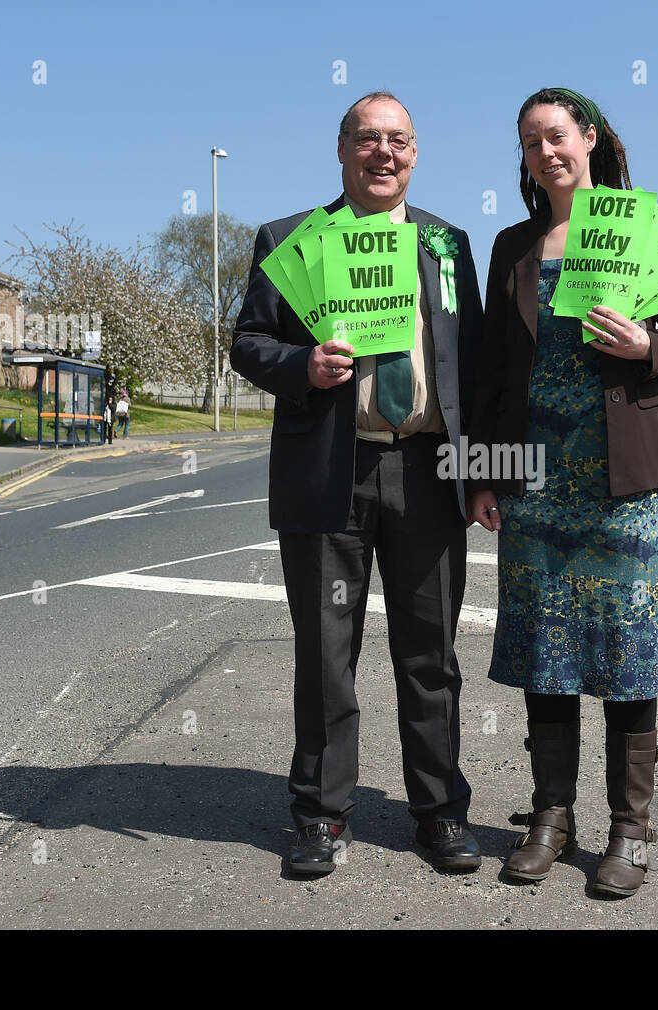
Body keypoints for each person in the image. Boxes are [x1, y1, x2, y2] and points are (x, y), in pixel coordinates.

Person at [231, 91, 485, 876]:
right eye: (368, 139)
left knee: (430, 655)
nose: (384, 153)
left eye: (399, 141)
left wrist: (480, 474)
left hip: (428, 470)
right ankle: (321, 817)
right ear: (341, 151)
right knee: (325, 653)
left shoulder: (446, 243)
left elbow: (470, 362)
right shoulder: (290, 240)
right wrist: (299, 367)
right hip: (330, 474)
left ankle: (440, 814)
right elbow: (247, 342)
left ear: (415, 154)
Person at [468, 87, 658, 897]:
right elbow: (493, 372)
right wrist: (484, 475)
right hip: (535, 479)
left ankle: (630, 832)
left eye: (557, 137)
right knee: (548, 651)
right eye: (531, 143)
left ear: (592, 139)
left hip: (621, 479)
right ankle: (548, 818)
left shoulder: (646, 225)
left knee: (626, 650)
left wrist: (648, 344)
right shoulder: (512, 246)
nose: (546, 153)